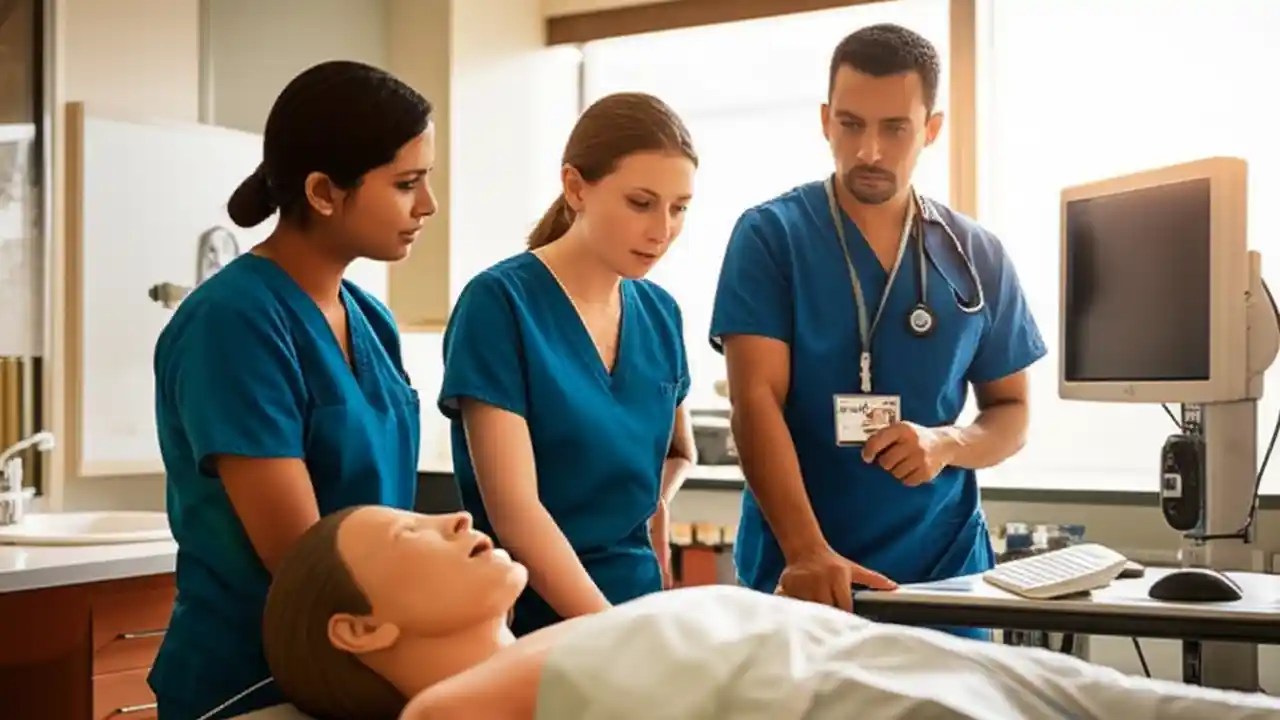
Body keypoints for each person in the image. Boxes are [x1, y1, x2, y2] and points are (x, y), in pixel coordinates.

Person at [254, 506, 1280, 720]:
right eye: (407, 535)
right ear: (359, 629)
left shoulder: (572, 642)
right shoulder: (455, 709)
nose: (452, 513)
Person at [708, 23, 1047, 630]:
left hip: (945, 576)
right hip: (803, 577)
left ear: (930, 129)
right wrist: (806, 550)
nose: (869, 151)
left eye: (894, 128)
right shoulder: (771, 237)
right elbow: (753, 401)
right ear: (824, 120)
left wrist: (946, 444)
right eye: (850, 124)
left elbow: (1012, 410)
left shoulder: (977, 255)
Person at [148, 60, 437, 719]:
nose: (428, 205)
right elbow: (305, 561)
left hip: (359, 668)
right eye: (406, 184)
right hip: (253, 682)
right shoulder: (234, 322)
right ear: (324, 191)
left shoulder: (370, 318)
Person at [435, 91, 698, 636]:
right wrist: (608, 634)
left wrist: (658, 505)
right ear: (576, 187)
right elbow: (517, 514)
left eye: (679, 208)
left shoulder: (661, 313)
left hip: (639, 607)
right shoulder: (499, 303)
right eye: (641, 203)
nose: (662, 230)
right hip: (534, 619)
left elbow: (679, 452)